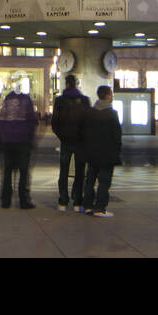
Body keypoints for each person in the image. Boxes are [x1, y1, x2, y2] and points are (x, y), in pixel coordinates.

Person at [81, 86, 121, 217]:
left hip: (91, 152)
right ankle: (99, 208)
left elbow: (84, 133)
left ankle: (87, 206)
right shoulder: (112, 114)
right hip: (106, 153)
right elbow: (116, 136)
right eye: (111, 94)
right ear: (108, 96)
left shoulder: (90, 112)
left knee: (90, 180)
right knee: (104, 181)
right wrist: (116, 152)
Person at [51, 74, 90, 212]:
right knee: (79, 172)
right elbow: (88, 122)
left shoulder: (60, 100)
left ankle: (63, 201)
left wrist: (62, 136)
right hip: (80, 142)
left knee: (64, 172)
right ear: (76, 84)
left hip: (66, 141)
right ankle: (77, 201)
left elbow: (54, 122)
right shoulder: (85, 100)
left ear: (66, 84)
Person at [0, 87, 39, 208]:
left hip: (8, 140)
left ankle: (6, 199)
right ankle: (23, 199)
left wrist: (2, 136)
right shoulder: (26, 100)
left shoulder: (7, 99)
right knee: (23, 171)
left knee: (7, 171)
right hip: (23, 140)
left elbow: (1, 119)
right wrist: (31, 136)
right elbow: (31, 120)